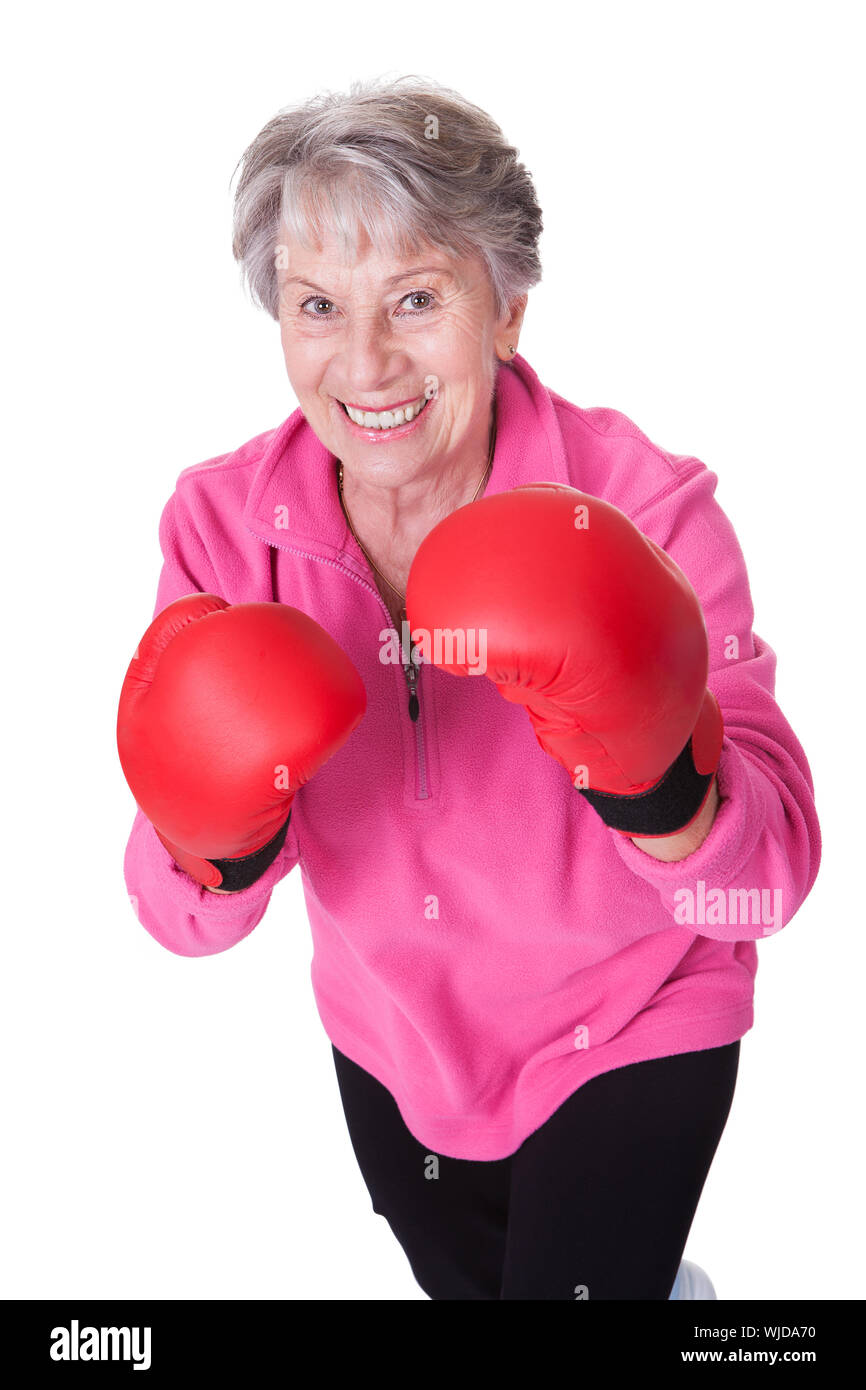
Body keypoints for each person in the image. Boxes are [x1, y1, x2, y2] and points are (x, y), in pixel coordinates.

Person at [117, 74, 821, 1300]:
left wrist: (659, 773)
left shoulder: (642, 506)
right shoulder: (225, 526)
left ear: (505, 312)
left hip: (630, 1020)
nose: (365, 360)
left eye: (418, 299)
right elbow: (183, 919)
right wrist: (207, 828)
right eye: (317, 305)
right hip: (393, 1038)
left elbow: (767, 888)